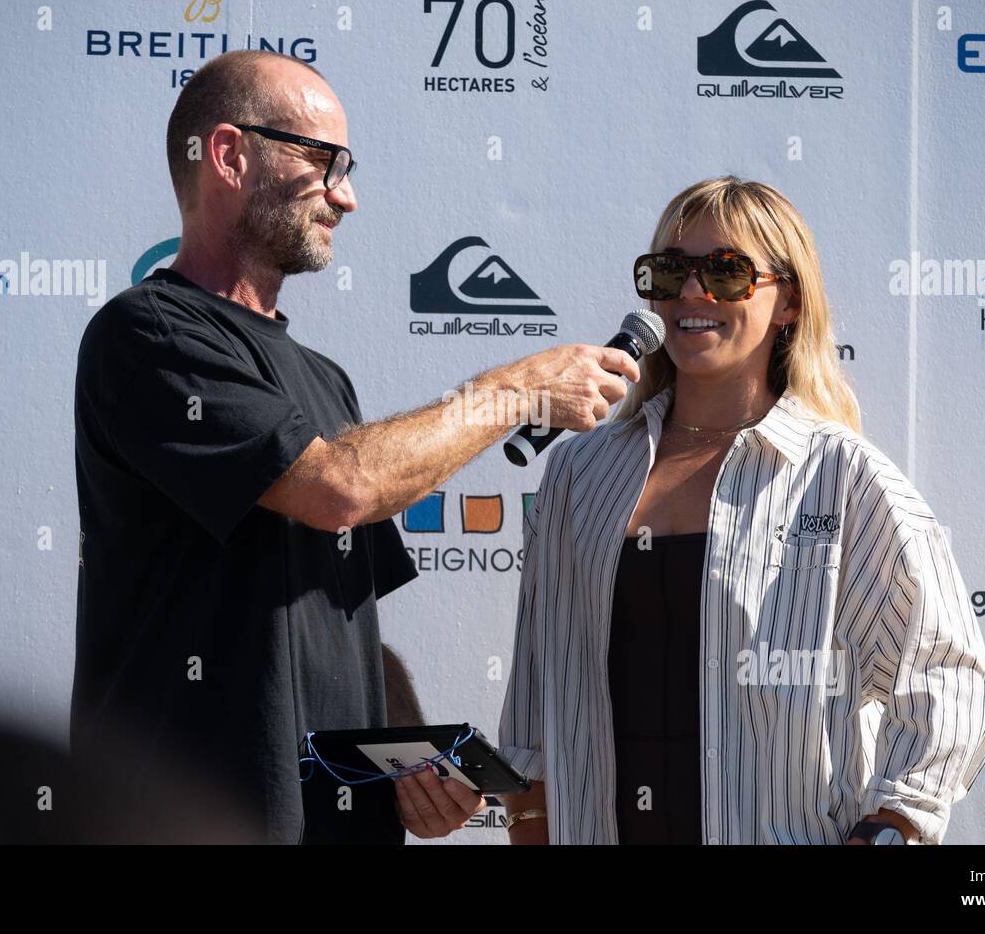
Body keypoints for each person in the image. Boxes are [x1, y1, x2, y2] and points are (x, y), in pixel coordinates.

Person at [70, 50, 640, 844]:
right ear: (231, 156)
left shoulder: (324, 381)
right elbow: (335, 488)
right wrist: (515, 390)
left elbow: (352, 618)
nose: (348, 195)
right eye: (325, 162)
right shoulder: (147, 335)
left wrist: (413, 757)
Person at [498, 177, 985, 845]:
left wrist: (894, 824)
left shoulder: (842, 477)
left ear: (788, 301)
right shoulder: (578, 471)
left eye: (727, 272)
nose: (692, 294)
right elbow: (539, 686)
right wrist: (530, 822)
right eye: (669, 270)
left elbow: (949, 680)